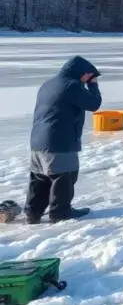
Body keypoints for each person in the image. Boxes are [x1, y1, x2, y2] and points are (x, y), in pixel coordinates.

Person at [26, 56, 102, 224]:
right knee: (63, 177)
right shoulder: (72, 85)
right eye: (88, 76)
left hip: (38, 140)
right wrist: (93, 85)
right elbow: (94, 104)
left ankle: (33, 212)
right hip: (58, 140)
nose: (88, 79)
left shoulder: (49, 84)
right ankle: (60, 212)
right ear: (83, 73)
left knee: (40, 177)